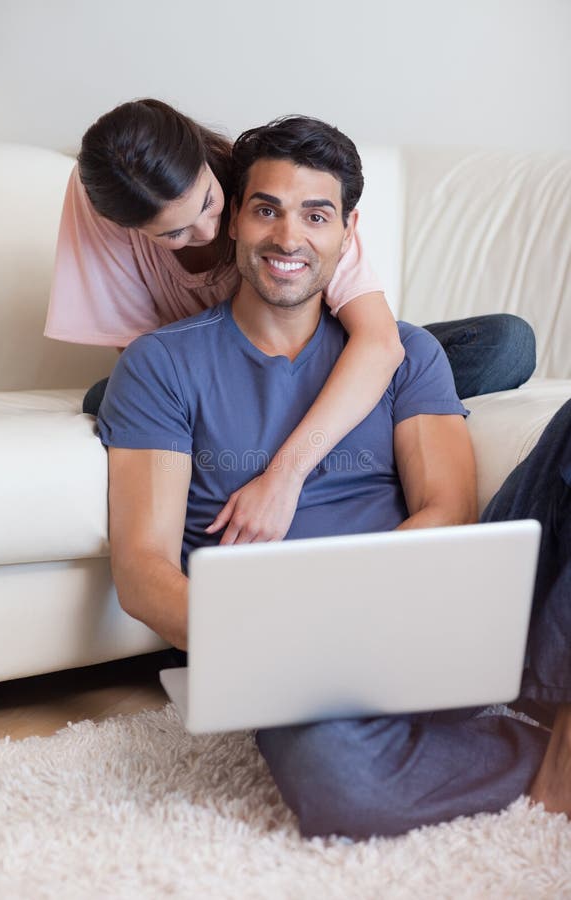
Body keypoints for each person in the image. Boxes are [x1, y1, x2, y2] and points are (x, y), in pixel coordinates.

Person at [97, 114, 571, 838]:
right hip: (298, 662)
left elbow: (448, 509)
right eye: (266, 210)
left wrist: (380, 612)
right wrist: (276, 647)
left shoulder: (406, 353)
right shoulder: (162, 365)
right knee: (342, 783)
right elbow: (142, 567)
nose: (289, 238)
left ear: (347, 232)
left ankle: (534, 700)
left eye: (315, 215)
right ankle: (530, 745)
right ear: (235, 224)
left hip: (425, 607)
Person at [45, 98, 536, 545]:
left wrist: (285, 473)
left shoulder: (285, 195)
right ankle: (338, 406)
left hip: (315, 351)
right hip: (206, 374)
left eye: (210, 205)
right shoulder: (102, 210)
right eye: (175, 232)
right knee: (115, 395)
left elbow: (381, 343)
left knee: (497, 344)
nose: (207, 231)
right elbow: (140, 349)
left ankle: (360, 398)